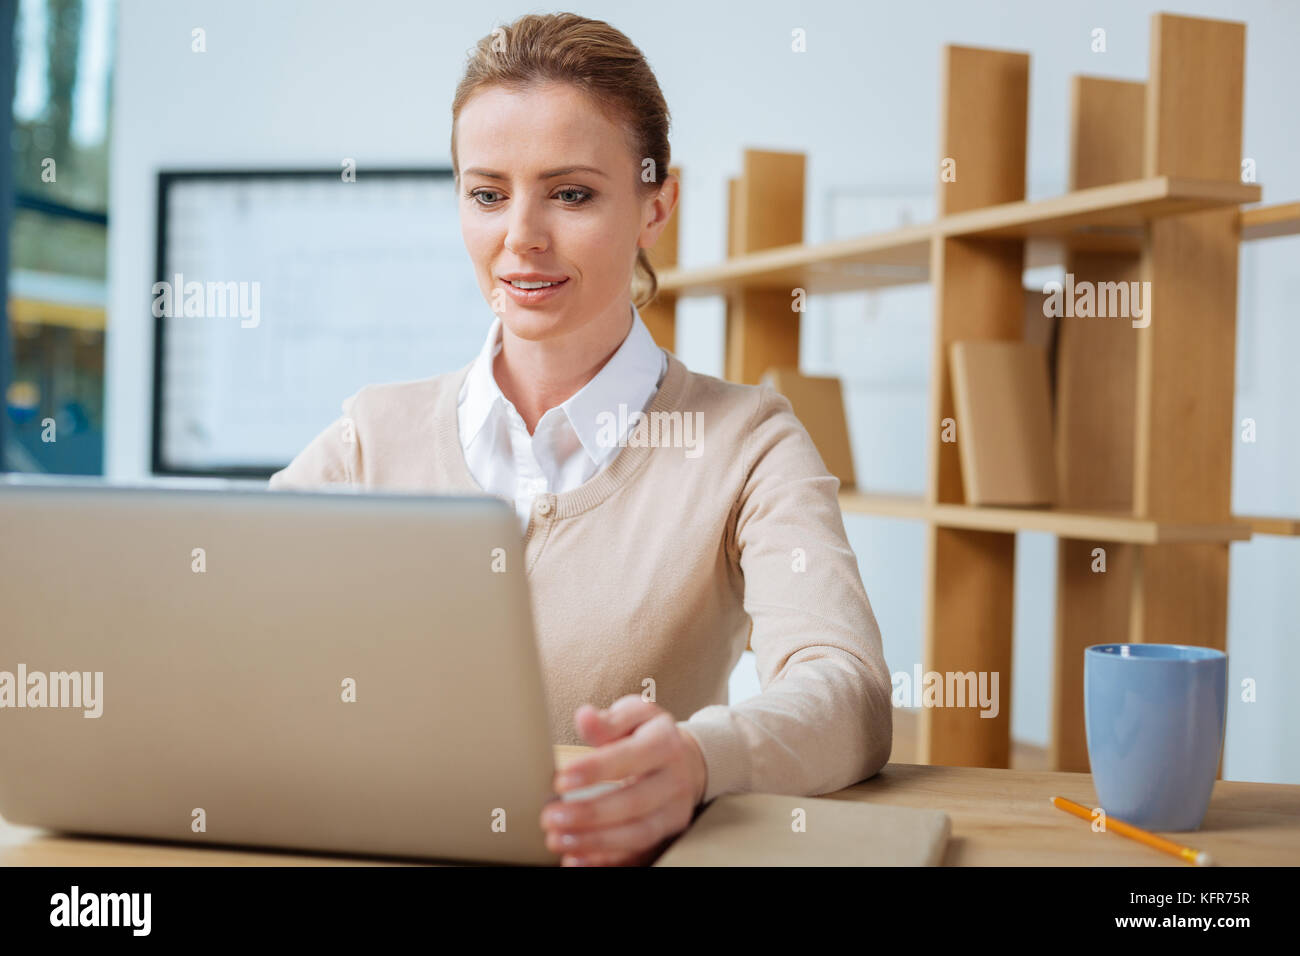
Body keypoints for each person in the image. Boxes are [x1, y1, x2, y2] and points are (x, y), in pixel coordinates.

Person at [269, 11, 892, 866]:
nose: (520, 235)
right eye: (487, 193)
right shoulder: (372, 435)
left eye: (571, 193)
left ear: (655, 206)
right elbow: (223, 628)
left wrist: (703, 759)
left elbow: (847, 690)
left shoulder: (750, 442)